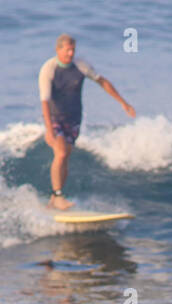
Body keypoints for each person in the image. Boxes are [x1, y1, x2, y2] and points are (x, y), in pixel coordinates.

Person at [38, 33, 136, 210]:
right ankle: (59, 195)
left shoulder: (81, 65)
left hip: (74, 119)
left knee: (65, 156)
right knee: (60, 153)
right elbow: (44, 101)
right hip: (55, 118)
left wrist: (123, 102)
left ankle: (53, 198)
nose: (70, 54)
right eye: (67, 50)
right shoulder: (49, 69)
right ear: (58, 49)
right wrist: (48, 129)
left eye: (73, 50)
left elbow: (102, 81)